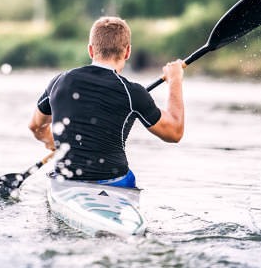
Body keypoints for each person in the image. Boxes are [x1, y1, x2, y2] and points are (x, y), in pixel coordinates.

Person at [28, 16, 185, 188]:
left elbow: (35, 126)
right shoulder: (132, 92)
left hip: (66, 181)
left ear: (90, 50)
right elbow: (175, 132)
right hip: (116, 182)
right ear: (127, 52)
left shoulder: (59, 81)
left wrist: (51, 142)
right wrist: (175, 80)